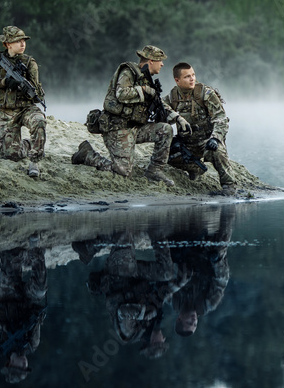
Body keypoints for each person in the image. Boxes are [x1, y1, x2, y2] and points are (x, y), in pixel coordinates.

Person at [72, 45, 190, 186]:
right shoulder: (129, 72)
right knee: (123, 172)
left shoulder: (147, 79)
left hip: (136, 128)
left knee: (165, 130)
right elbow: (121, 94)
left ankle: (155, 171)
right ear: (151, 61)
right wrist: (144, 90)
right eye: (160, 60)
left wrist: (178, 118)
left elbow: (159, 104)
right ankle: (87, 154)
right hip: (118, 128)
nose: (163, 64)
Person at [164, 62, 236, 193]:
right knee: (164, 153)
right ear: (177, 80)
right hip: (187, 144)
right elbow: (161, 109)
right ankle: (195, 168)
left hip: (206, 141)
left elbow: (221, 119)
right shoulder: (172, 97)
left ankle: (229, 185)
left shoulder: (206, 93)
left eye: (193, 75)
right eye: (187, 76)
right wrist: (174, 117)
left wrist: (215, 138)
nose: (192, 79)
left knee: (217, 151)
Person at [0, 26, 46, 178]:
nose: (22, 44)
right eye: (18, 41)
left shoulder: (30, 63)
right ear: (7, 44)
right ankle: (27, 144)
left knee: (39, 121)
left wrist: (28, 89)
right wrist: (6, 82)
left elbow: (38, 91)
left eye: (24, 41)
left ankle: (34, 161)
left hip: (26, 108)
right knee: (11, 155)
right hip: (7, 111)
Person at [0, 238, 47, 384]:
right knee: (40, 290)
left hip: (9, 295)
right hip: (27, 300)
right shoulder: (32, 344)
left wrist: (8, 330)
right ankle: (35, 250)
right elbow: (36, 319)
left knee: (9, 254)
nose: (25, 364)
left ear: (10, 364)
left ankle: (22, 257)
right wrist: (34, 319)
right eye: (25, 367)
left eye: (20, 367)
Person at [169, 205, 235, 336]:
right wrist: (216, 261)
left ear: (179, 318)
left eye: (189, 323)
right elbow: (221, 281)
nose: (194, 320)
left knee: (172, 241)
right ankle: (229, 207)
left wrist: (175, 259)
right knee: (221, 244)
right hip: (208, 257)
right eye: (195, 324)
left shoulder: (174, 302)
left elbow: (167, 277)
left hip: (186, 254)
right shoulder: (207, 304)